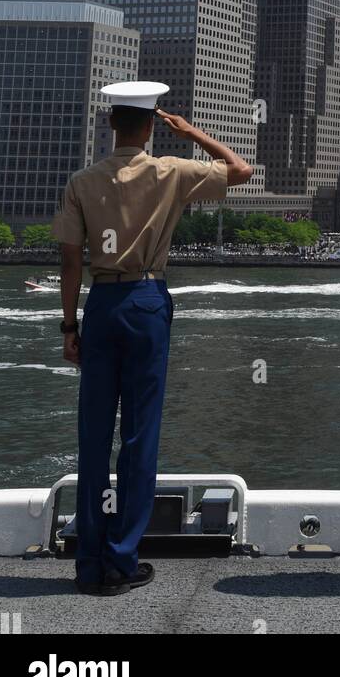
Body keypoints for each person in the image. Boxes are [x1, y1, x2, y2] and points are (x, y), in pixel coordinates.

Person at [52, 81, 254, 595]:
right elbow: (241, 171)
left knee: (93, 435)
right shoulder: (171, 170)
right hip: (146, 302)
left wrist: (69, 325)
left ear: (110, 125)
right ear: (149, 127)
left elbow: (70, 261)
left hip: (100, 304)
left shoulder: (81, 181)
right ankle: (122, 559)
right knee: (140, 434)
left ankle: (89, 561)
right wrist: (193, 133)